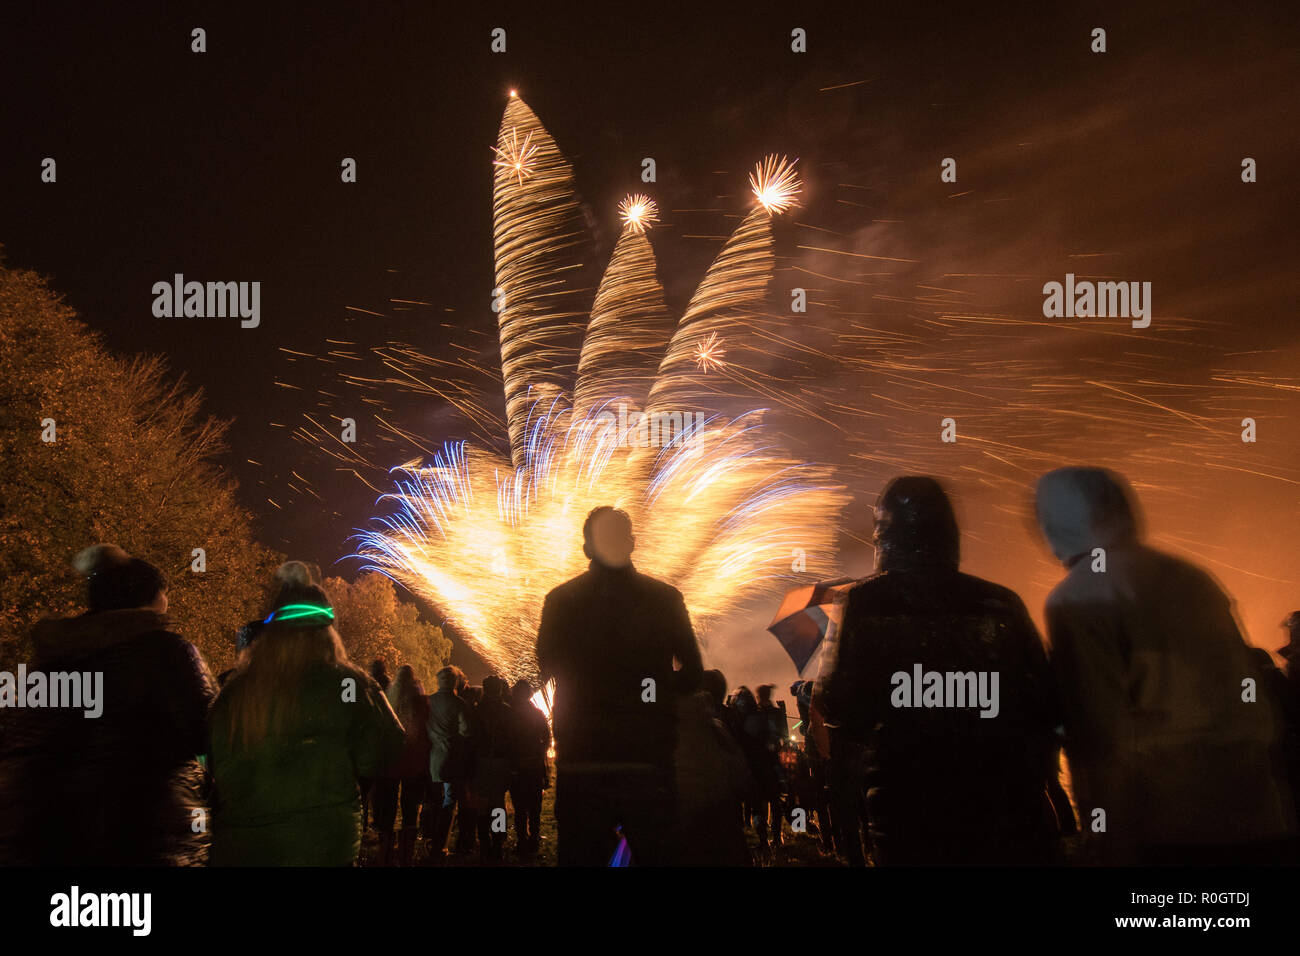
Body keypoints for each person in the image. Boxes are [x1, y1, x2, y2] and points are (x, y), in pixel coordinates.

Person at [1035, 467, 1295, 864]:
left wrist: (1105, 834)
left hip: (1164, 823)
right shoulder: (1191, 577)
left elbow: (1102, 731)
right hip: (1253, 811)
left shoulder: (1076, 599)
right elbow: (1251, 701)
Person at [816, 476, 1062, 866]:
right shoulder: (1001, 603)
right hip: (1007, 809)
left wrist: (848, 830)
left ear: (887, 535)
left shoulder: (862, 603)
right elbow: (1046, 707)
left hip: (910, 811)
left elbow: (842, 711)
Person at [0, 544, 216, 866]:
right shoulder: (167, 651)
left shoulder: (50, 663)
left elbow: (24, 747)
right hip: (146, 834)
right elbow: (209, 733)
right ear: (148, 601)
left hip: (46, 836)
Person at [536, 506, 704, 866]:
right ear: (631, 544)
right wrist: (653, 691)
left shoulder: (560, 601)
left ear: (586, 548)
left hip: (582, 758)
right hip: (647, 758)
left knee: (581, 855)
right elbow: (693, 675)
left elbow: (545, 670)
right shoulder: (665, 599)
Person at [208, 568, 405, 865]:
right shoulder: (350, 684)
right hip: (324, 844)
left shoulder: (234, 691)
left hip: (243, 846)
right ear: (328, 630)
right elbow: (388, 749)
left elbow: (209, 761)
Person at [674, 668, 752, 865]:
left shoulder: (666, 726)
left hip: (680, 825)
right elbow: (740, 778)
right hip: (721, 822)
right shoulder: (717, 728)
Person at [373, 664, 432, 866]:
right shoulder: (423, 702)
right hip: (414, 763)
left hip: (392, 762)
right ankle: (406, 855)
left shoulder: (389, 700)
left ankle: (385, 854)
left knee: (388, 810)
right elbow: (427, 731)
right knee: (410, 809)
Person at [467, 674, 514, 863]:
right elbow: (512, 739)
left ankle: (484, 840)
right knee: (498, 804)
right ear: (500, 690)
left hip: (481, 761)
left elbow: (471, 738)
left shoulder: (477, 711)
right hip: (501, 761)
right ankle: (497, 841)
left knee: (482, 803)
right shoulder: (507, 712)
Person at [425, 664, 470, 859]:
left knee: (434, 800)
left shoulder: (428, 702)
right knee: (449, 801)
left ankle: (430, 838)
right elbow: (466, 730)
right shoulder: (459, 703)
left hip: (433, 757)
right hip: (452, 757)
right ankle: (440, 844)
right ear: (455, 682)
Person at [509, 679, 550, 854]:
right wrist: (541, 751)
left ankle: (522, 839)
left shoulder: (510, 714)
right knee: (534, 805)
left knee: (519, 806)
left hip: (517, 764)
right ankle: (534, 837)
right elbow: (547, 737)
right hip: (534, 764)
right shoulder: (538, 714)